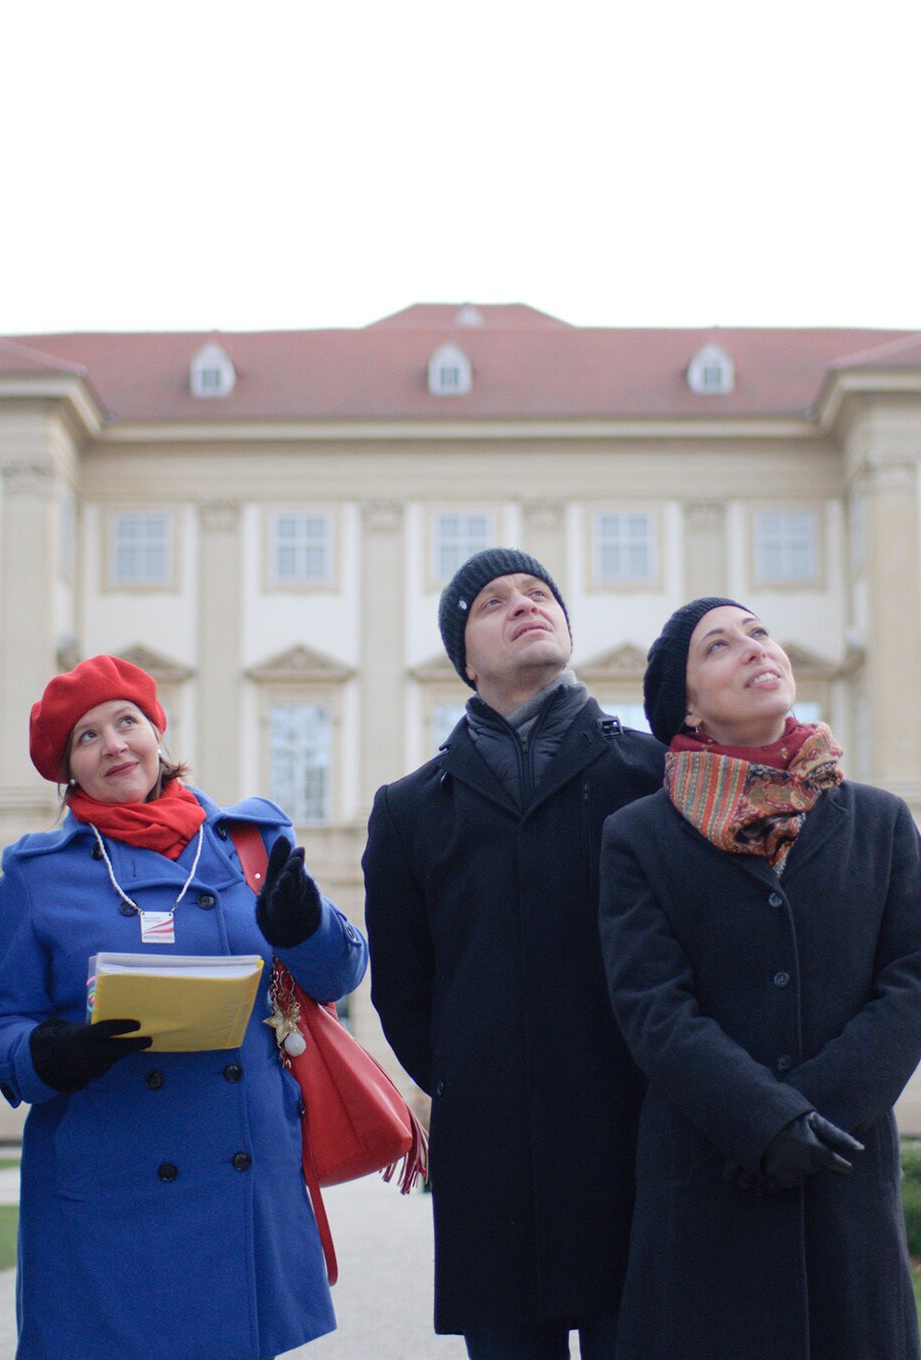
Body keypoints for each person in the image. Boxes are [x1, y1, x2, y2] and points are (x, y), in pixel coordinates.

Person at [0, 655, 367, 1360]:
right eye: (87, 737)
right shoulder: (35, 875)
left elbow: (341, 971)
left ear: (159, 730)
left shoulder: (250, 841)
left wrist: (306, 925)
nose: (114, 744)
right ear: (69, 770)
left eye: (127, 721)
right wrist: (50, 1053)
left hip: (238, 1181)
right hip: (109, 1189)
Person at [598, 598, 921, 1360]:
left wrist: (812, 1117)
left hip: (842, 1176)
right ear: (686, 702)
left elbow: (913, 982)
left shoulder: (881, 822)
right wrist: (761, 1122)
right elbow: (653, 1006)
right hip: (708, 1181)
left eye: (760, 632)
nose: (755, 648)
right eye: (719, 645)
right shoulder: (638, 837)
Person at [364, 549, 664, 1359]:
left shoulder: (653, 775)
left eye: (539, 594)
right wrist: (479, 1076)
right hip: (489, 1159)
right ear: (465, 657)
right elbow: (403, 993)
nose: (525, 605)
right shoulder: (408, 810)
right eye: (493, 601)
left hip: (635, 1143)